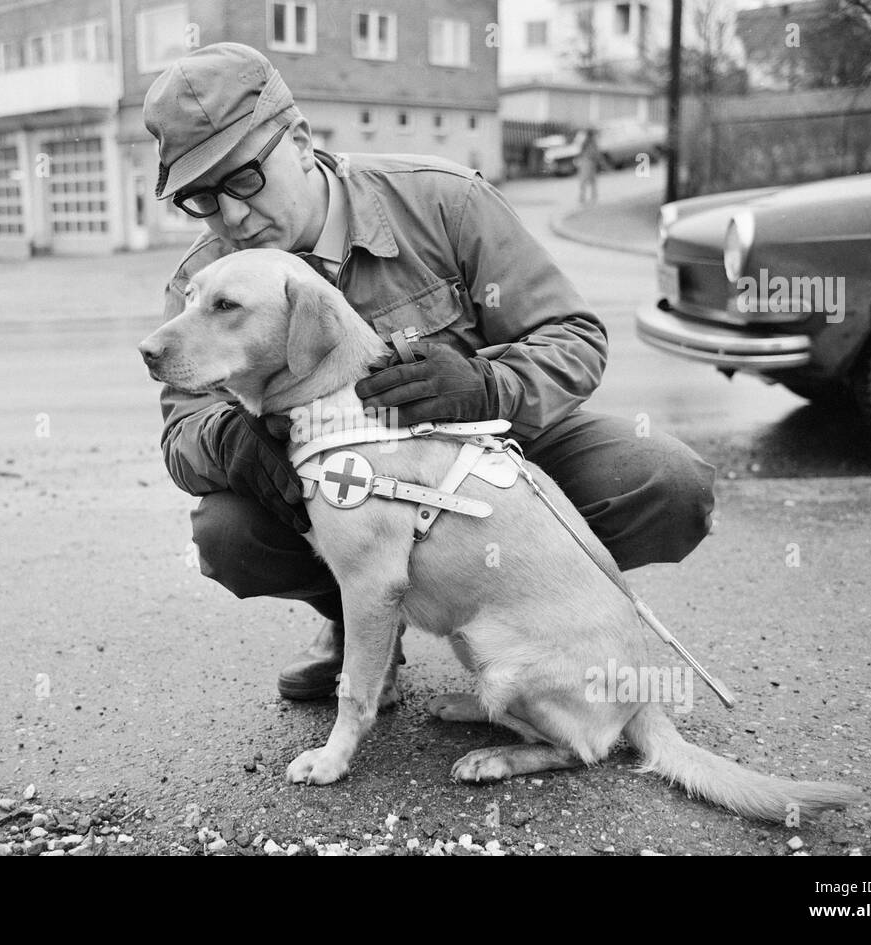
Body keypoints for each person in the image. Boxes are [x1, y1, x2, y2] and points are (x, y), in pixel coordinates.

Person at [142, 42, 715, 703]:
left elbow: (575, 337)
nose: (232, 216)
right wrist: (233, 443)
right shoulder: (203, 279)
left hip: (494, 456)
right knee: (226, 535)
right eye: (201, 198)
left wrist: (487, 383)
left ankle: (538, 619)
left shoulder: (444, 201)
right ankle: (354, 617)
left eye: (244, 177)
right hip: (346, 494)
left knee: (664, 480)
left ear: (299, 140)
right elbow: (181, 434)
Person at [576, 128, 600, 206]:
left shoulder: (592, 142)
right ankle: (583, 197)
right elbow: (592, 153)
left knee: (592, 180)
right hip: (587, 162)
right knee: (585, 180)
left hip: (590, 162)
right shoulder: (588, 143)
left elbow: (596, 153)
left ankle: (593, 197)